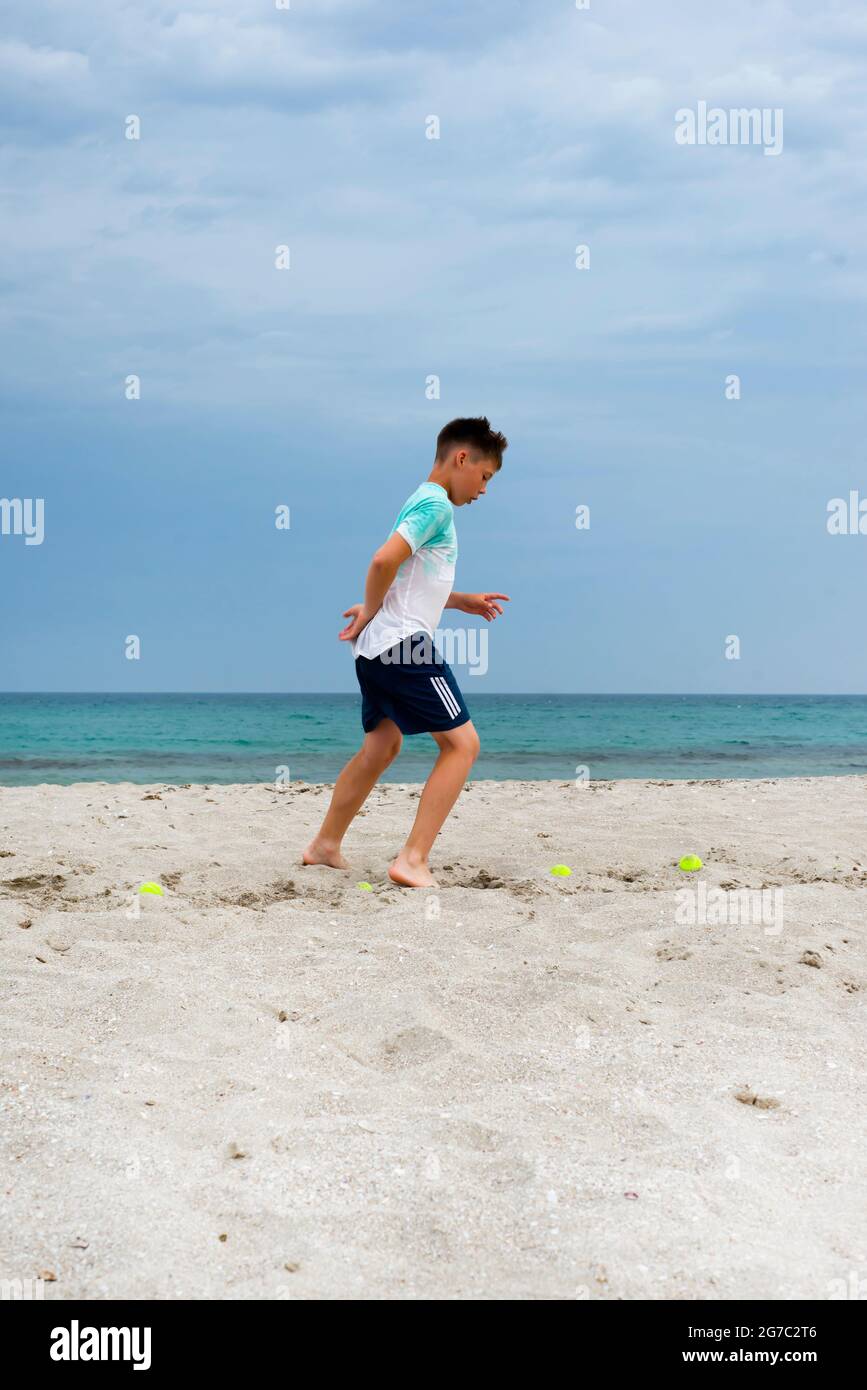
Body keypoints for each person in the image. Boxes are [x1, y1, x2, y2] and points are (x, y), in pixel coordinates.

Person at [302, 416, 509, 887]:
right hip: (403, 646)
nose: (483, 490)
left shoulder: (419, 501)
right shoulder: (437, 505)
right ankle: (412, 860)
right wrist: (373, 609)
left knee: (382, 746)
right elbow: (383, 560)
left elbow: (410, 578)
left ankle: (324, 844)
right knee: (462, 745)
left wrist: (460, 601)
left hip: (374, 651)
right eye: (485, 476)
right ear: (462, 458)